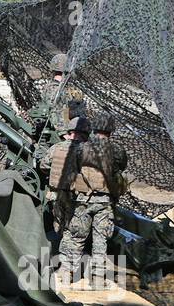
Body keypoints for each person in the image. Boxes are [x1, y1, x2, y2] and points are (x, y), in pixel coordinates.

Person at [40, 116, 125, 289]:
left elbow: (71, 170)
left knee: (76, 236)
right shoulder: (117, 150)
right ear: (110, 131)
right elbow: (121, 167)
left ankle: (66, 273)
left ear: (94, 129)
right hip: (105, 202)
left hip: (82, 200)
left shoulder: (81, 149)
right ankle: (98, 277)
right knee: (101, 239)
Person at [28, 52, 86, 143]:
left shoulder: (58, 88)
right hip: (60, 135)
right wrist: (64, 134)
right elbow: (55, 111)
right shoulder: (55, 89)